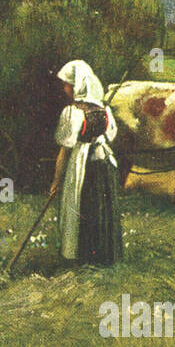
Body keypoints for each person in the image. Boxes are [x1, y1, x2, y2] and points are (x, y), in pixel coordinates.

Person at [48, 60, 123, 269]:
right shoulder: (105, 110)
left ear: (77, 85)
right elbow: (111, 135)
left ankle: (84, 258)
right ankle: (103, 256)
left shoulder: (73, 113)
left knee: (83, 206)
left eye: (67, 84)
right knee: (100, 208)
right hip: (104, 164)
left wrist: (57, 180)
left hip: (83, 166)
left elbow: (65, 149)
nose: (65, 88)